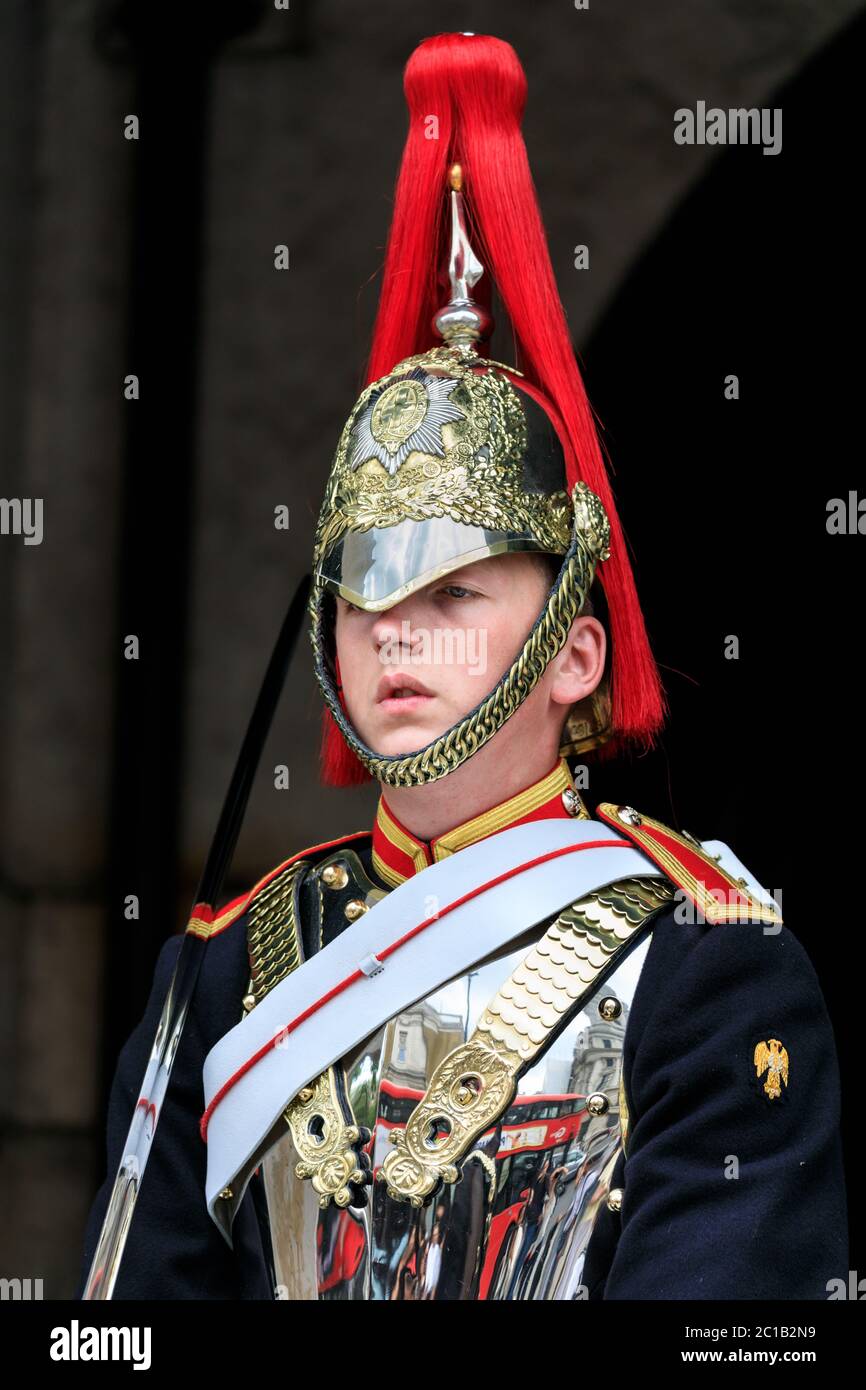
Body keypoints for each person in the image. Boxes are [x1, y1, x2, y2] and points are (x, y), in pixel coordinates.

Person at [77, 31, 847, 1302]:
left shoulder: (707, 966)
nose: (395, 627)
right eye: (364, 588)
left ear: (574, 653)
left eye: (451, 590)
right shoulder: (218, 970)